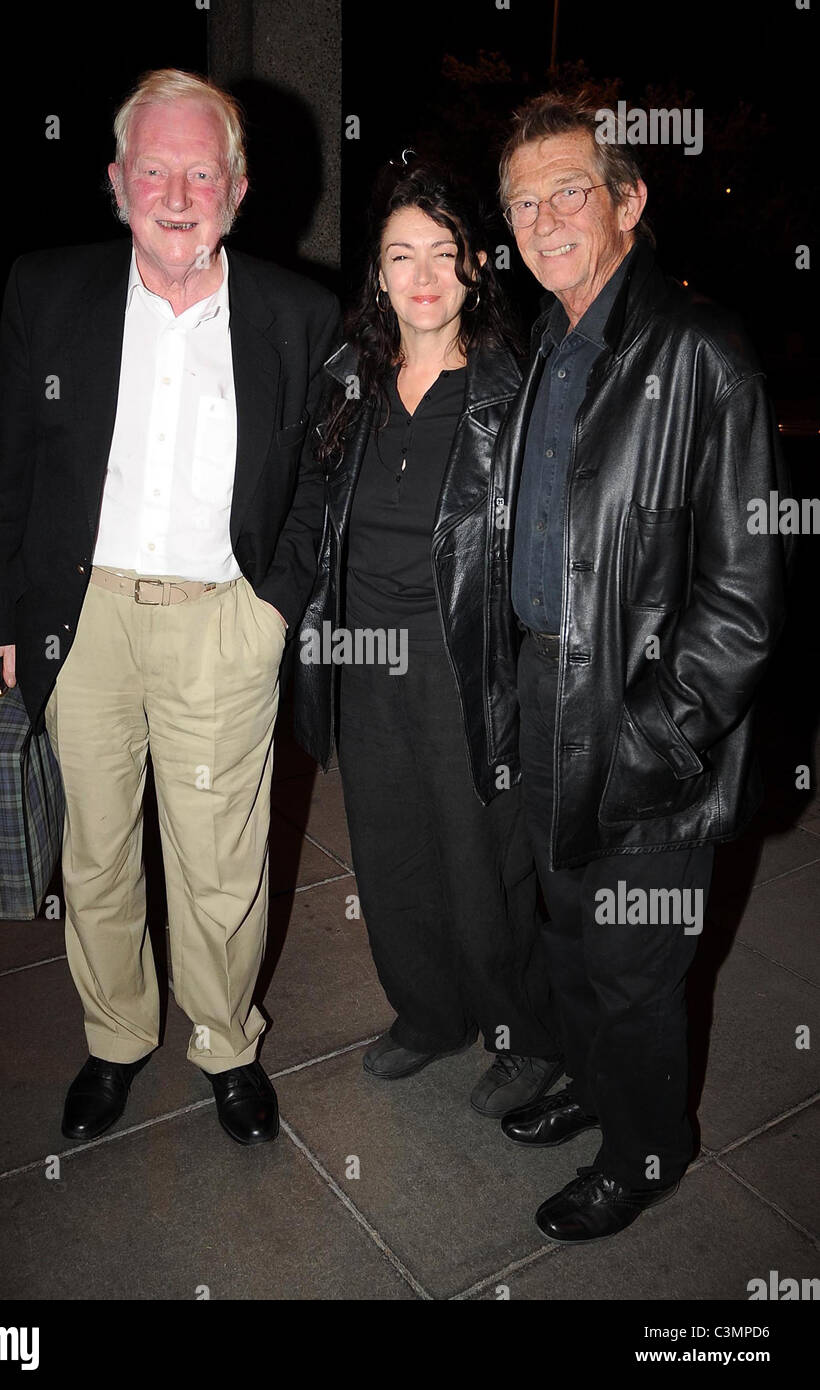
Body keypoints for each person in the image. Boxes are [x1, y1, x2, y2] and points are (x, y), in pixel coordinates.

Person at [0, 68, 341, 1147]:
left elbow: (315, 483)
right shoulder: (46, 290)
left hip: (220, 620)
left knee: (220, 861)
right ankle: (116, 1037)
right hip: (81, 619)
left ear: (236, 187)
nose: (175, 192)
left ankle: (226, 1043)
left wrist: (272, 609)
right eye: (153, 169)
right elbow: (10, 466)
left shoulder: (296, 312)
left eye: (199, 171)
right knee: (94, 850)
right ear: (117, 181)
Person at [487, 92, 787, 1240]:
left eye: (571, 190)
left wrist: (654, 736)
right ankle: (591, 1084)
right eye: (523, 200)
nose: (545, 217)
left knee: (632, 966)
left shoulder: (702, 353)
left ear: (627, 200)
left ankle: (647, 1146)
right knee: (567, 940)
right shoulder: (548, 347)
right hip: (542, 699)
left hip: (638, 723)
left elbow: (744, 599)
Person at [293, 161, 561, 1116]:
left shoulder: (511, 389)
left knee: (483, 859)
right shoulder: (347, 380)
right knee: (392, 851)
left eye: (442, 255)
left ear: (477, 268)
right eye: (399, 255)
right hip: (365, 663)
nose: (421, 276)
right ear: (376, 271)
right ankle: (427, 1012)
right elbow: (312, 512)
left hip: (464, 661)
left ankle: (523, 1033)